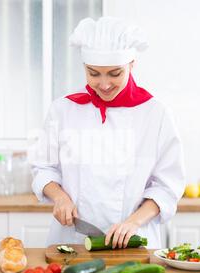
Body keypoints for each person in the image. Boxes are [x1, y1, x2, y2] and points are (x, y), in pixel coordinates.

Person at [30, 17, 185, 249]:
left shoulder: (156, 114)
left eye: (114, 74)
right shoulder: (62, 109)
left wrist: (133, 222)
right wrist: (60, 198)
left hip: (134, 241)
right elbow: (43, 167)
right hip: (73, 240)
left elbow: (167, 186)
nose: (104, 84)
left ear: (132, 64)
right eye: (94, 74)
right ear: (84, 68)